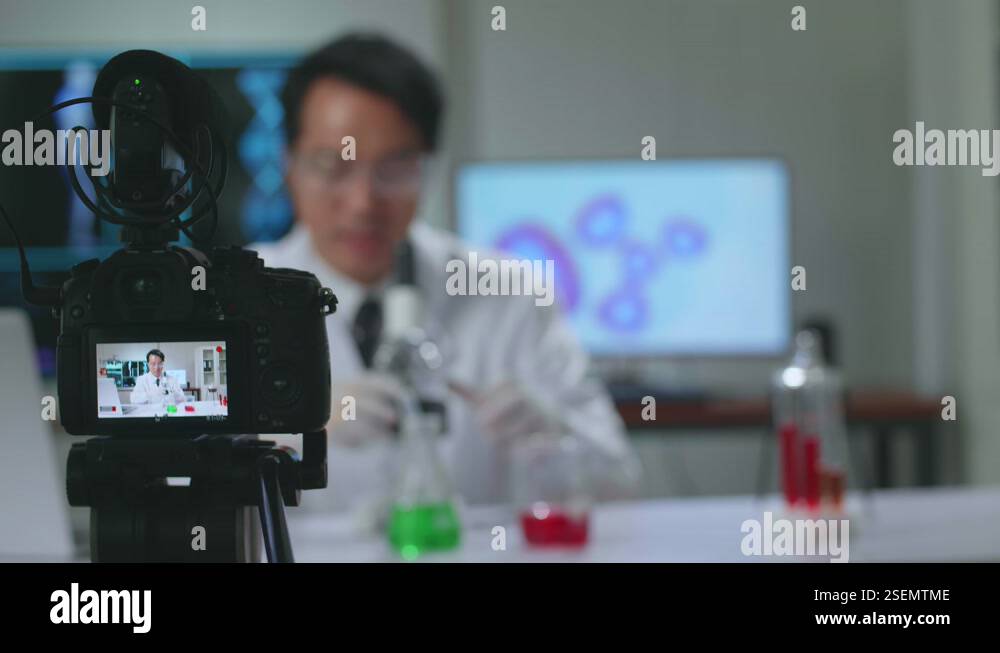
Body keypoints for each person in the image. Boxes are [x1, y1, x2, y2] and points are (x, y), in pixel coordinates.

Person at [252, 33, 638, 513]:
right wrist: (282, 428)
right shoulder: (236, 299)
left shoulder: (508, 291)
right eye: (332, 167)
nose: (362, 203)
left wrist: (554, 438)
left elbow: (619, 481)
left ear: (427, 168)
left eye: (394, 169)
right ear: (289, 167)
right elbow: (168, 489)